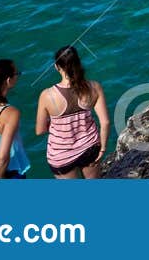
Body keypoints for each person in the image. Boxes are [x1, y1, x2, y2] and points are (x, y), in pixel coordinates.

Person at [35, 45, 108, 179]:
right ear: (78, 63)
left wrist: (57, 122)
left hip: (61, 156)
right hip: (89, 148)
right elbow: (105, 122)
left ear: (57, 67)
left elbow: (40, 130)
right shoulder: (94, 87)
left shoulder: (47, 95)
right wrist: (102, 148)